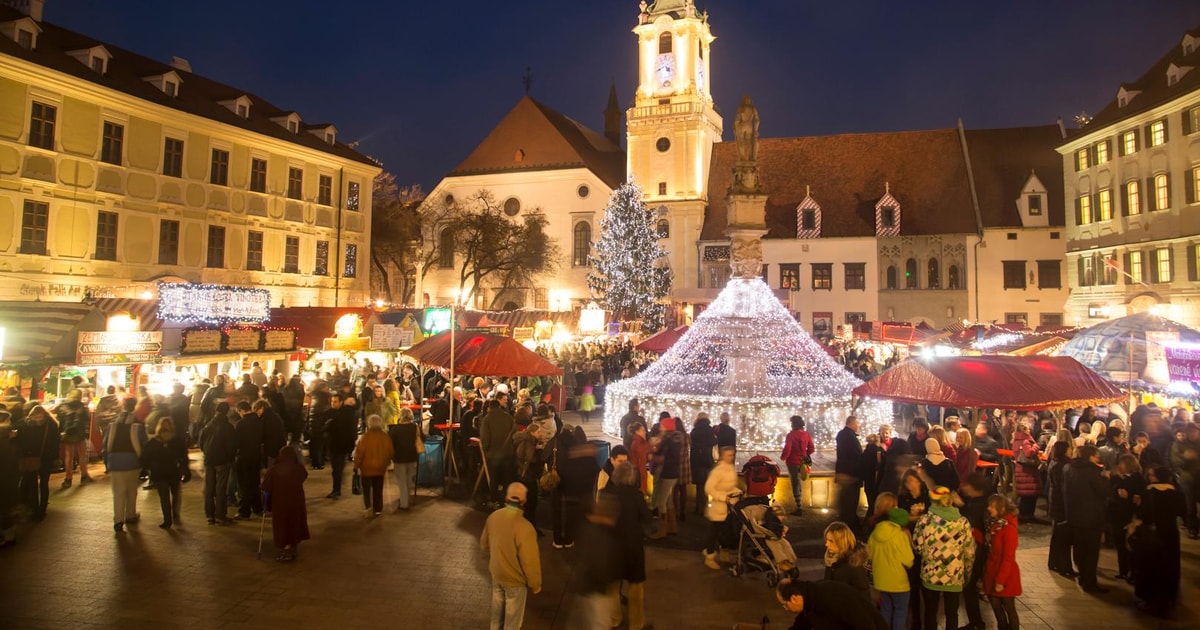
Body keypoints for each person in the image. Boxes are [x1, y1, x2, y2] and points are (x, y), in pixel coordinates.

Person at [480, 482, 542, 630]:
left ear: (506, 498)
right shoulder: (525, 527)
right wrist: (535, 584)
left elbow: (484, 544)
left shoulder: (493, 517)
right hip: (515, 582)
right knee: (512, 623)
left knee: (496, 618)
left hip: (497, 575)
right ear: (524, 501)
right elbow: (530, 562)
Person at [913, 485, 975, 630]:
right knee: (952, 613)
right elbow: (969, 552)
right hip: (954, 575)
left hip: (931, 575)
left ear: (932, 501)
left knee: (930, 611)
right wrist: (967, 574)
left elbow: (917, 547)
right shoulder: (962, 522)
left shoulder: (925, 521)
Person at [1129, 466, 1184, 617]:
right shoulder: (1176, 493)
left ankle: (1150, 599)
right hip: (1170, 535)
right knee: (1168, 567)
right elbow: (1183, 512)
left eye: (1152, 475)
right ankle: (1167, 599)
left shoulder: (1149, 492)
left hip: (1152, 535)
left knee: (1151, 567)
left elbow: (1142, 513)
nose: (1150, 478)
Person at [604, 461, 650, 630]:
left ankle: (614, 619)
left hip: (612, 546)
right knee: (636, 587)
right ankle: (636, 624)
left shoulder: (606, 494)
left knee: (612, 586)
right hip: (633, 546)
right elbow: (648, 520)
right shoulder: (637, 495)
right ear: (631, 477)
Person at [1063, 444, 1110, 594]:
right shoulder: (1093, 472)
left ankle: (1083, 576)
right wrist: (1107, 479)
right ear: (1090, 457)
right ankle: (1089, 582)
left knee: (1079, 550)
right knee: (1091, 552)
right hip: (1091, 518)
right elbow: (1104, 492)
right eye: (1096, 456)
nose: (1098, 459)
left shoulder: (1068, 469)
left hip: (1074, 516)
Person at [571, 492, 622, 630]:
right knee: (600, 624)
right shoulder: (603, 536)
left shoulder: (589, 529)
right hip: (597, 590)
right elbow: (600, 566)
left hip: (586, 588)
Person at [867, 506, 914, 630]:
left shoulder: (876, 532)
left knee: (885, 610)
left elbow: (869, 555)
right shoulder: (900, 535)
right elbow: (908, 561)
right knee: (900, 613)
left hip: (881, 581)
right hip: (898, 583)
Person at [776, 579, 890, 630]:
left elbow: (865, 624)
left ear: (794, 599)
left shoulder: (830, 597)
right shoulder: (810, 599)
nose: (786, 609)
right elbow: (801, 626)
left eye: (785, 604)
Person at [261, 444, 310, 562]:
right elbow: (304, 476)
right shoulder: (299, 469)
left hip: (280, 503)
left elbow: (265, 487)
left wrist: (265, 503)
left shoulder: (273, 470)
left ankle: (286, 549)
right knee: (294, 523)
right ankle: (293, 545)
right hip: (296, 501)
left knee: (282, 525)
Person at [554, 426, 599, 549]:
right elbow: (596, 470)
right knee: (586, 516)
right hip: (587, 492)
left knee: (571, 517)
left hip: (572, 493)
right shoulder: (590, 450)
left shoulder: (572, 452)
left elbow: (566, 472)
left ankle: (569, 540)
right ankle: (585, 540)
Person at [140, 417, 188, 529]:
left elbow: (144, 457)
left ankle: (167, 520)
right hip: (173, 472)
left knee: (164, 497)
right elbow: (183, 456)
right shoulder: (177, 441)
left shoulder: (153, 442)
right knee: (176, 495)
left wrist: (149, 467)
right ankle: (175, 515)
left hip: (159, 473)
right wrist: (184, 468)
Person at [106, 401, 146, 532]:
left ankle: (118, 520)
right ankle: (130, 514)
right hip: (133, 461)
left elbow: (105, 445)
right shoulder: (138, 425)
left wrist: (107, 462)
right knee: (131, 490)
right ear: (135, 407)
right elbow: (143, 443)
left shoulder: (112, 425)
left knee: (118, 492)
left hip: (115, 462)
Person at [984, 494, 1022, 630]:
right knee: (996, 607)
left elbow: (1008, 557)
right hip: (992, 571)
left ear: (1001, 509)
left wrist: (1000, 581)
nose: (989, 508)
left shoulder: (1008, 529)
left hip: (1005, 576)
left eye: (992, 506)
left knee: (1009, 608)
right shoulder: (996, 525)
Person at [17, 404, 59, 521]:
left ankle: (42, 508)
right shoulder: (26, 424)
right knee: (33, 484)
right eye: (34, 417)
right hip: (31, 458)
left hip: (46, 458)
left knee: (44, 483)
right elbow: (22, 441)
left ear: (44, 415)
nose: (37, 420)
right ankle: (35, 508)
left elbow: (55, 443)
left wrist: (56, 457)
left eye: (39, 417)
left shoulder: (51, 425)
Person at [1108, 453, 1144, 582]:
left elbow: (1138, 498)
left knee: (1129, 545)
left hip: (1127, 516)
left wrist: (1128, 496)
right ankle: (1123, 570)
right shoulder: (1121, 479)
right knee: (1120, 545)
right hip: (1118, 516)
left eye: (1122, 463)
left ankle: (1131, 572)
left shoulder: (1136, 480)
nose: (1119, 466)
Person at [200, 400, 237, 526]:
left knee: (209, 488)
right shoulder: (228, 427)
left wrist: (206, 453)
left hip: (209, 460)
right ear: (227, 411)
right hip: (223, 461)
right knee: (221, 489)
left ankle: (210, 515)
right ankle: (220, 516)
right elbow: (232, 446)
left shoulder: (208, 425)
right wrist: (230, 458)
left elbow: (201, 442)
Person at [701, 446, 738, 569]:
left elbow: (730, 486)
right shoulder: (718, 471)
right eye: (728, 455)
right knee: (714, 533)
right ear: (722, 456)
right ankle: (709, 556)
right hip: (717, 508)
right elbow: (708, 488)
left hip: (728, 507)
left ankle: (724, 554)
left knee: (726, 532)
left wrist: (736, 492)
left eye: (732, 455)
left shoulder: (730, 468)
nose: (731, 458)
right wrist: (722, 497)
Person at [648, 417, 683, 539]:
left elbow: (664, 458)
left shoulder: (669, 440)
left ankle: (662, 529)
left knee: (661, 502)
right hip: (673, 473)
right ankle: (673, 527)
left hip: (667, 473)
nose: (660, 427)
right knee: (668, 501)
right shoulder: (674, 439)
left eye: (662, 425)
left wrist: (652, 457)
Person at [1044, 440, 1075, 579]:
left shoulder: (1054, 462)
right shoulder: (1062, 465)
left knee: (1057, 535)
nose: (1071, 451)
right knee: (1062, 536)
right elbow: (1062, 486)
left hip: (1055, 502)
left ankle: (1055, 562)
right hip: (1060, 504)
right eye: (1069, 449)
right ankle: (1064, 566)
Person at [353, 414, 394, 517]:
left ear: (369, 424)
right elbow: (390, 451)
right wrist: (387, 462)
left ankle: (368, 507)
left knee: (366, 490)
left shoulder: (365, 438)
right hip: (380, 468)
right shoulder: (385, 437)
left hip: (366, 469)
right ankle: (378, 509)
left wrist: (356, 466)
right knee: (378, 489)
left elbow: (359, 453)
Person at [232, 401, 265, 520]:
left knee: (243, 485)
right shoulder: (259, 422)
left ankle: (244, 511)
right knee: (255, 483)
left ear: (241, 410)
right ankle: (257, 508)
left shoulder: (240, 424)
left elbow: (236, 442)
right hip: (256, 456)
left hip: (243, 457)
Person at [479, 397, 516, 502]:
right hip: (508, 452)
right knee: (507, 478)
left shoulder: (487, 419)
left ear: (489, 407)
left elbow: (485, 437)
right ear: (499, 406)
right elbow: (514, 432)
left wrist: (485, 449)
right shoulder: (508, 417)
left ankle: (494, 499)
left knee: (494, 478)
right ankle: (507, 499)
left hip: (493, 453)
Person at [823, 521, 870, 601]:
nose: (826, 544)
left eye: (831, 541)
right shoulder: (831, 559)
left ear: (841, 542)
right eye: (826, 540)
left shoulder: (853, 564)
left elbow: (863, 595)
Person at [1168, 422, 1200, 539]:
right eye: (1190, 432)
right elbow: (1175, 462)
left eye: (1195, 431)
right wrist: (1186, 458)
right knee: (1190, 504)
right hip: (1187, 478)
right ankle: (1192, 528)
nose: (1193, 434)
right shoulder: (1179, 445)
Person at [56, 389, 92, 488]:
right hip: (79, 433)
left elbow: (59, 418)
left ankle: (68, 478)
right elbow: (86, 419)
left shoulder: (64, 406)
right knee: (82, 455)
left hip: (67, 433)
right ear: (80, 396)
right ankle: (84, 475)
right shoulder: (81, 407)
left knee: (69, 456)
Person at [324, 392, 358, 499]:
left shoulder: (346, 414)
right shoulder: (329, 413)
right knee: (336, 468)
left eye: (335, 402)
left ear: (341, 402)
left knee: (337, 469)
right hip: (333, 445)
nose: (333, 404)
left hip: (341, 446)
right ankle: (336, 488)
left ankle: (336, 490)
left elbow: (349, 430)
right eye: (332, 401)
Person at [388, 407, 421, 511]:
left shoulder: (395, 429)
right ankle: (406, 499)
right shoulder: (415, 427)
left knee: (402, 481)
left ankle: (404, 504)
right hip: (412, 457)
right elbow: (422, 439)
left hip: (399, 458)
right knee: (409, 480)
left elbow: (391, 444)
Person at [781, 415, 815, 514]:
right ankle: (800, 504)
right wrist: (805, 454)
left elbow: (787, 449)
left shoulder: (791, 435)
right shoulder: (806, 434)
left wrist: (783, 457)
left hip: (792, 462)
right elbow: (812, 448)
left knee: (795, 483)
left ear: (793, 424)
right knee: (799, 482)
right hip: (803, 462)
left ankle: (799, 506)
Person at [835, 415, 863, 531]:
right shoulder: (849, 437)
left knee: (846, 501)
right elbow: (856, 455)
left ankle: (847, 521)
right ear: (852, 423)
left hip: (845, 472)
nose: (859, 425)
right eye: (857, 423)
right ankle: (849, 525)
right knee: (850, 501)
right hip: (851, 474)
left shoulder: (843, 435)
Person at [1011, 421, 1042, 523]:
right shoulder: (1025, 441)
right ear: (1024, 430)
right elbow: (1029, 453)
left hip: (1020, 469)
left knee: (1025, 495)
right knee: (1029, 495)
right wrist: (1036, 446)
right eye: (1028, 429)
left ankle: (1023, 514)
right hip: (1028, 471)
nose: (1029, 430)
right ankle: (1027, 515)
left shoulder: (1016, 440)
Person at [689, 413, 716, 517]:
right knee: (706, 485)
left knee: (699, 486)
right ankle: (704, 507)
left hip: (696, 460)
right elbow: (713, 442)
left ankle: (698, 507)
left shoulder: (694, 430)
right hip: (707, 460)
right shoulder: (709, 430)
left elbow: (691, 443)